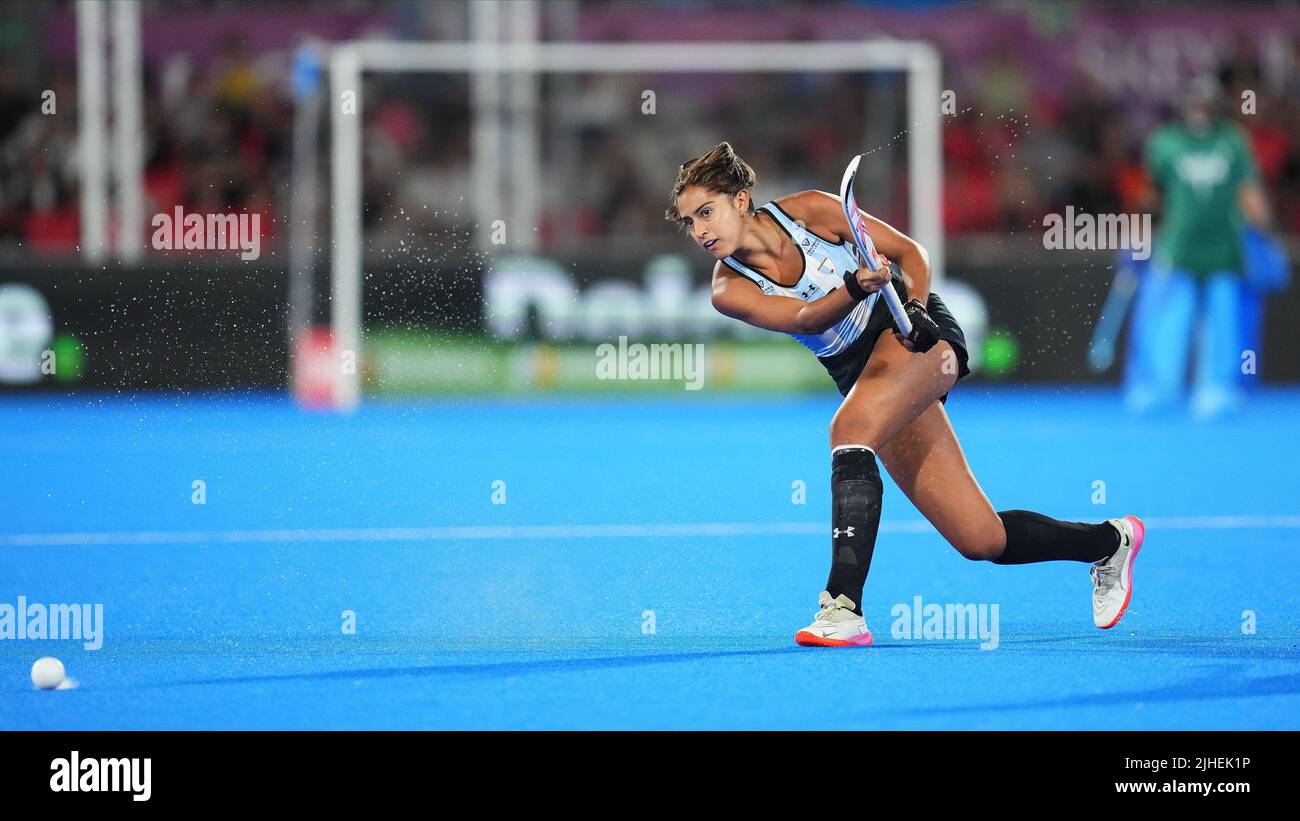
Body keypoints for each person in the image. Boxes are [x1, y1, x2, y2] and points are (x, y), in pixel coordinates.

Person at [665, 142, 1144, 647]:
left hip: (916, 333)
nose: (699, 231)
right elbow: (804, 317)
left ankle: (842, 607)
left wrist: (913, 307)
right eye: (688, 223)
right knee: (981, 538)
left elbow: (911, 254)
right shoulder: (727, 289)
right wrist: (853, 285)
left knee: (848, 430)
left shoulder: (809, 210)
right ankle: (1111, 541)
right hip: (865, 378)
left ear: (740, 200)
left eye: (705, 213)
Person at [1126, 75, 1271, 419]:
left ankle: (1217, 388)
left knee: (1223, 322)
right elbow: (1152, 195)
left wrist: (1262, 225)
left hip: (1224, 249)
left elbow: (1247, 190)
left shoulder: (1232, 141)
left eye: (1207, 104)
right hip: (1178, 248)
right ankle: (1161, 388)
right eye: (1195, 103)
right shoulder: (1166, 143)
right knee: (1169, 320)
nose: (1200, 110)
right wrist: (1136, 232)